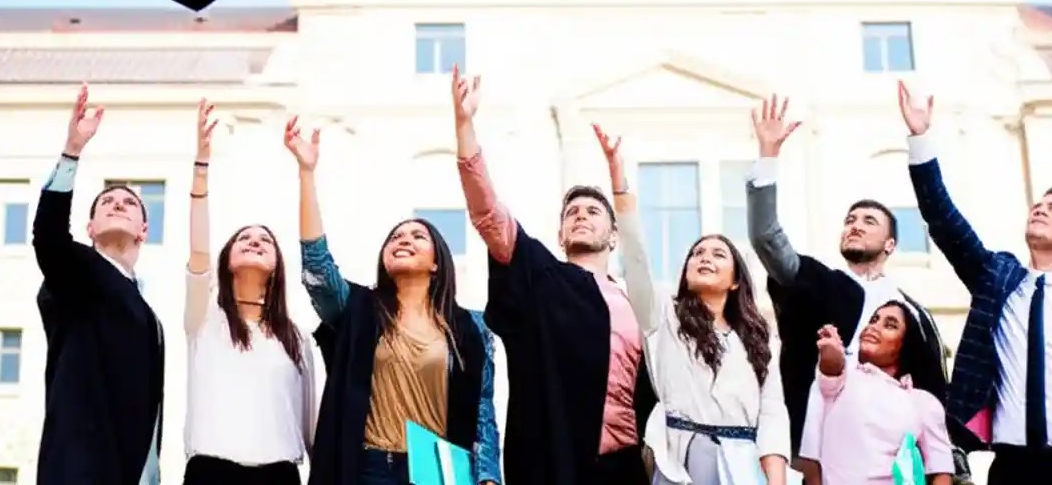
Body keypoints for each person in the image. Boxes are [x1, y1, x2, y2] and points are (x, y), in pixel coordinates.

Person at [897, 81, 1052, 485]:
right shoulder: (997, 278)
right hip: (1012, 466)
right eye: (1039, 204)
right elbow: (943, 221)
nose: (1041, 209)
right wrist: (920, 138)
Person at [744, 95, 964, 485]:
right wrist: (768, 157)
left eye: (869, 220)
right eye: (850, 220)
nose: (856, 225)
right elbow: (766, 237)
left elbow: (933, 394)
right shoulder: (821, 285)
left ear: (891, 244)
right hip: (817, 457)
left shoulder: (914, 314)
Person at [451, 67, 656, 485]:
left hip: (628, 469)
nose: (581, 215)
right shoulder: (543, 278)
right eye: (572, 213)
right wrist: (464, 126)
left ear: (613, 235)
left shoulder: (634, 302)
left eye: (593, 211)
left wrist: (618, 181)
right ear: (561, 235)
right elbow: (490, 215)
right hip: (555, 462)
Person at [286, 116, 502, 485]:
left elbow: (482, 411)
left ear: (437, 262)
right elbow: (317, 268)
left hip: (438, 472)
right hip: (370, 468)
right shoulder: (358, 310)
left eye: (417, 236)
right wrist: (307, 173)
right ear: (384, 259)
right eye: (395, 237)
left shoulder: (472, 327)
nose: (403, 239)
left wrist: (488, 477)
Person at [597, 122, 788, 484]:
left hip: (743, 465)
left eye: (718, 254)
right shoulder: (663, 318)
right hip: (680, 461)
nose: (704, 258)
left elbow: (774, 415)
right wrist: (620, 184)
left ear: (735, 281)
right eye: (697, 253)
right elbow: (636, 261)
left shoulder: (761, 339)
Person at [32, 83, 165, 485]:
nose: (118, 203)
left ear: (144, 230)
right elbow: (50, 238)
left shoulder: (147, 312)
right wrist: (72, 151)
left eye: (129, 203)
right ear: (89, 228)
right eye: (107, 202)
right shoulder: (77, 276)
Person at [182, 99, 318, 484]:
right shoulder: (203, 320)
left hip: (279, 475)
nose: (255, 242)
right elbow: (197, 252)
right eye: (244, 238)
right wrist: (202, 167)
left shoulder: (296, 337)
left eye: (265, 240)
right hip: (211, 472)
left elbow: (310, 429)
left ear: (277, 266)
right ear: (226, 261)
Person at [814, 306, 954, 485]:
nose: (874, 327)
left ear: (905, 343)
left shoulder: (923, 403)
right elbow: (830, 369)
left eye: (890, 325)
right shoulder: (844, 378)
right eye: (873, 320)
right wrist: (830, 349)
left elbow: (941, 472)